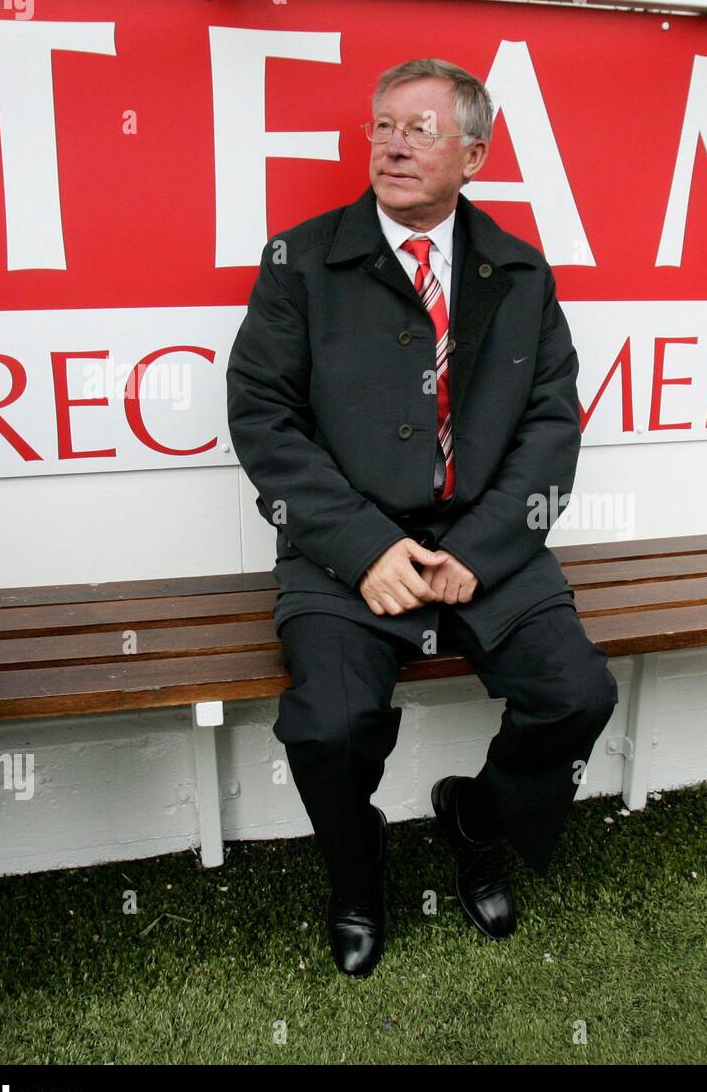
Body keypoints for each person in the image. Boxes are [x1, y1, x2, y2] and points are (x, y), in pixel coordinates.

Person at [226, 58, 619, 978]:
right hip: (344, 550)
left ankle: (473, 820)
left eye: (422, 129)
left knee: (576, 697)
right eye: (382, 126)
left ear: (474, 153)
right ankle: (358, 877)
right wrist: (363, 548)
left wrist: (481, 549)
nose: (394, 145)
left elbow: (552, 428)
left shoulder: (520, 272)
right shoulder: (301, 262)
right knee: (328, 727)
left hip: (490, 542)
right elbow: (263, 419)